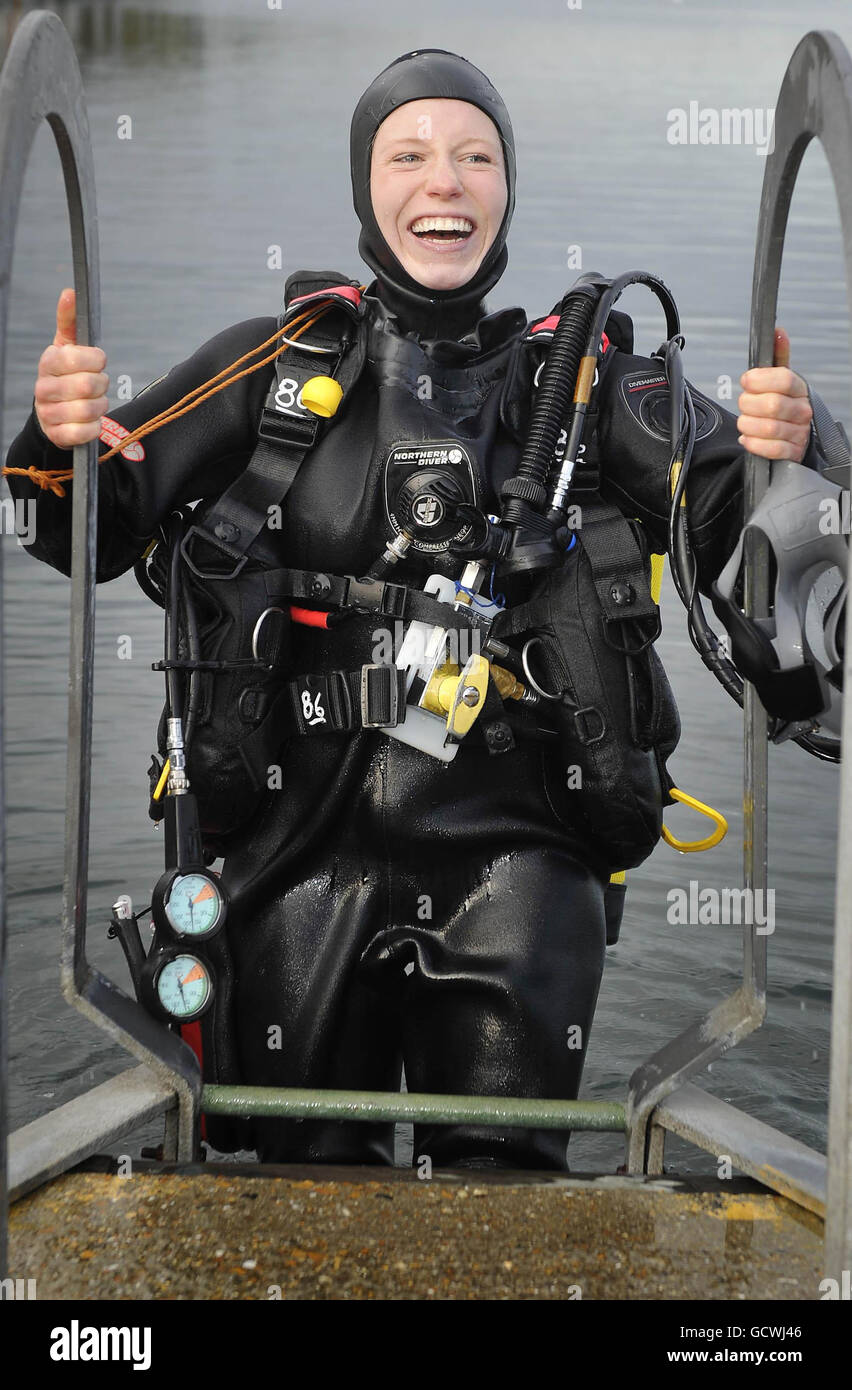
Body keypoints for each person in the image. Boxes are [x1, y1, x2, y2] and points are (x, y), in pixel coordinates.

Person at [3, 50, 819, 1170]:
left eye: (476, 155)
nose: (446, 180)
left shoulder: (586, 391)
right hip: (293, 858)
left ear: (506, 190)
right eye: (410, 154)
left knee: (502, 1182)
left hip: (518, 863)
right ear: (364, 188)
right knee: (305, 1179)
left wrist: (800, 438)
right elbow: (67, 526)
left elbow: (767, 534)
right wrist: (56, 435)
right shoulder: (269, 369)